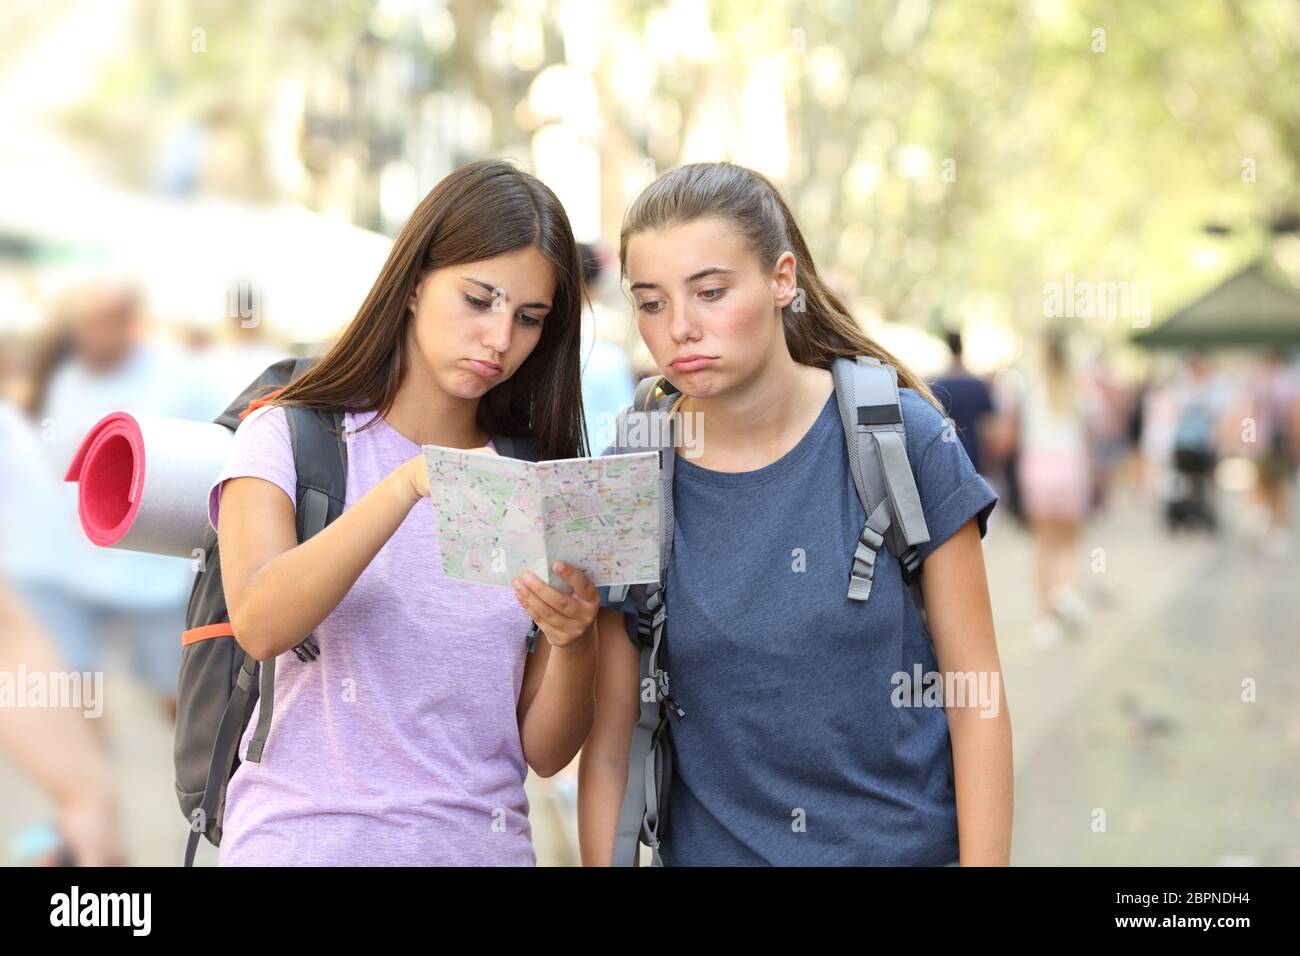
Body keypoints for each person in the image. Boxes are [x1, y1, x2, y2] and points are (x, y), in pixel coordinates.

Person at [579, 161, 1011, 866]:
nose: (680, 328)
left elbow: (978, 699)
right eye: (651, 303)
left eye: (711, 292)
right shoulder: (626, 475)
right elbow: (609, 749)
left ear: (783, 279)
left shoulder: (901, 440)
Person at [210, 159, 599, 866]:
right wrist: (406, 486)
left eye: (529, 318)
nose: (500, 339)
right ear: (415, 282)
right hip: (304, 844)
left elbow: (542, 752)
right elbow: (261, 621)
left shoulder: (530, 477)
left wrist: (574, 640)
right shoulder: (292, 437)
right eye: (479, 299)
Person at [1015, 333, 1095, 644]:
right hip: (1071, 472)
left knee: (1043, 546)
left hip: (1038, 472)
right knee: (1070, 542)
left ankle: (1046, 618)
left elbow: (1021, 437)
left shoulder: (1031, 393)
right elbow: (1090, 437)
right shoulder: (1080, 394)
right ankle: (1066, 590)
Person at [930, 331, 995, 478]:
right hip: (974, 456)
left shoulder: (938, 387)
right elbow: (989, 429)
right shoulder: (978, 386)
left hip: (949, 456)